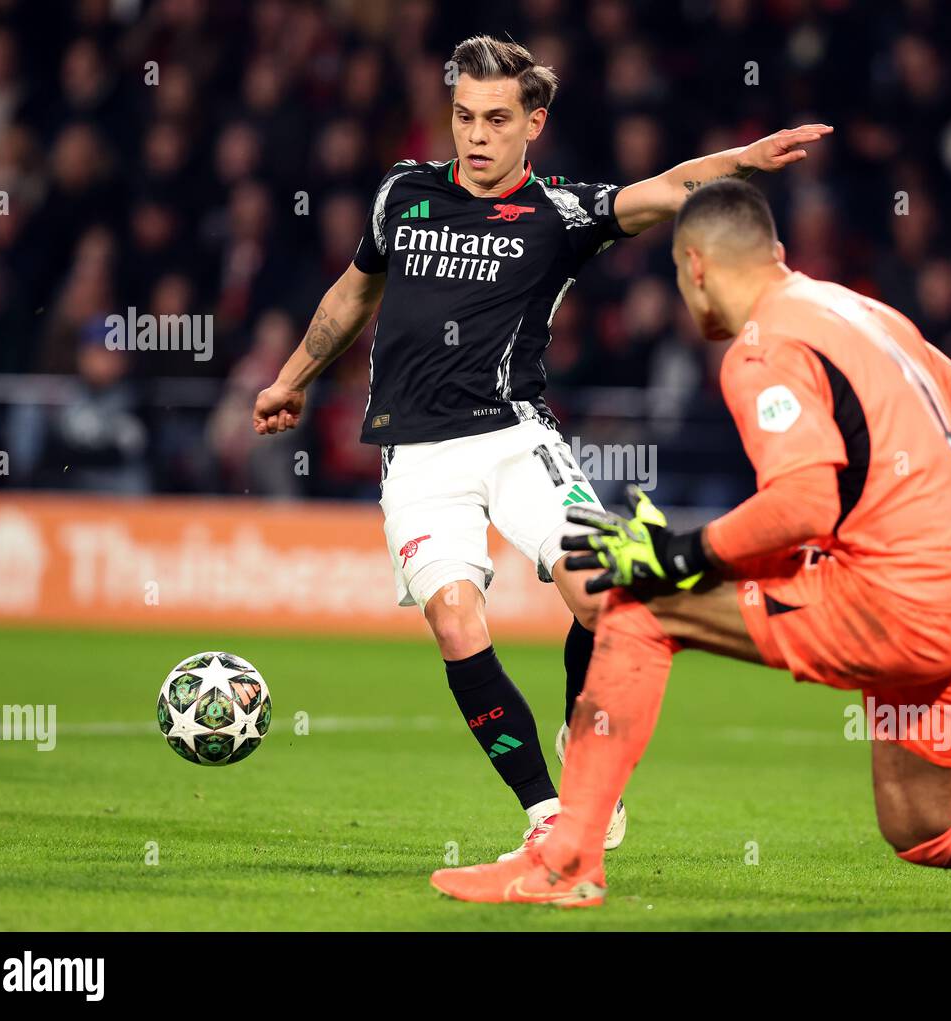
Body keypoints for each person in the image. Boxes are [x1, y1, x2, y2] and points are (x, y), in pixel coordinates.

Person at [429, 179, 951, 912]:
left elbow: (805, 501)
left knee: (639, 607)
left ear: (696, 266)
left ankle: (569, 857)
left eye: (682, 280)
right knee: (926, 824)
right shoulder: (868, 313)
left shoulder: (762, 349)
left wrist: (681, 553)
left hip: (900, 602)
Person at [251, 36, 831, 857]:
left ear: (534, 123)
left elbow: (662, 191)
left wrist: (742, 158)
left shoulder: (559, 213)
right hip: (418, 456)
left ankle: (577, 734)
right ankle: (545, 813)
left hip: (516, 436)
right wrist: (293, 376)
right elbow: (356, 288)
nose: (476, 135)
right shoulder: (403, 192)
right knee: (457, 621)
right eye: (463, 117)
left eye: (496, 119)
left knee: (602, 595)